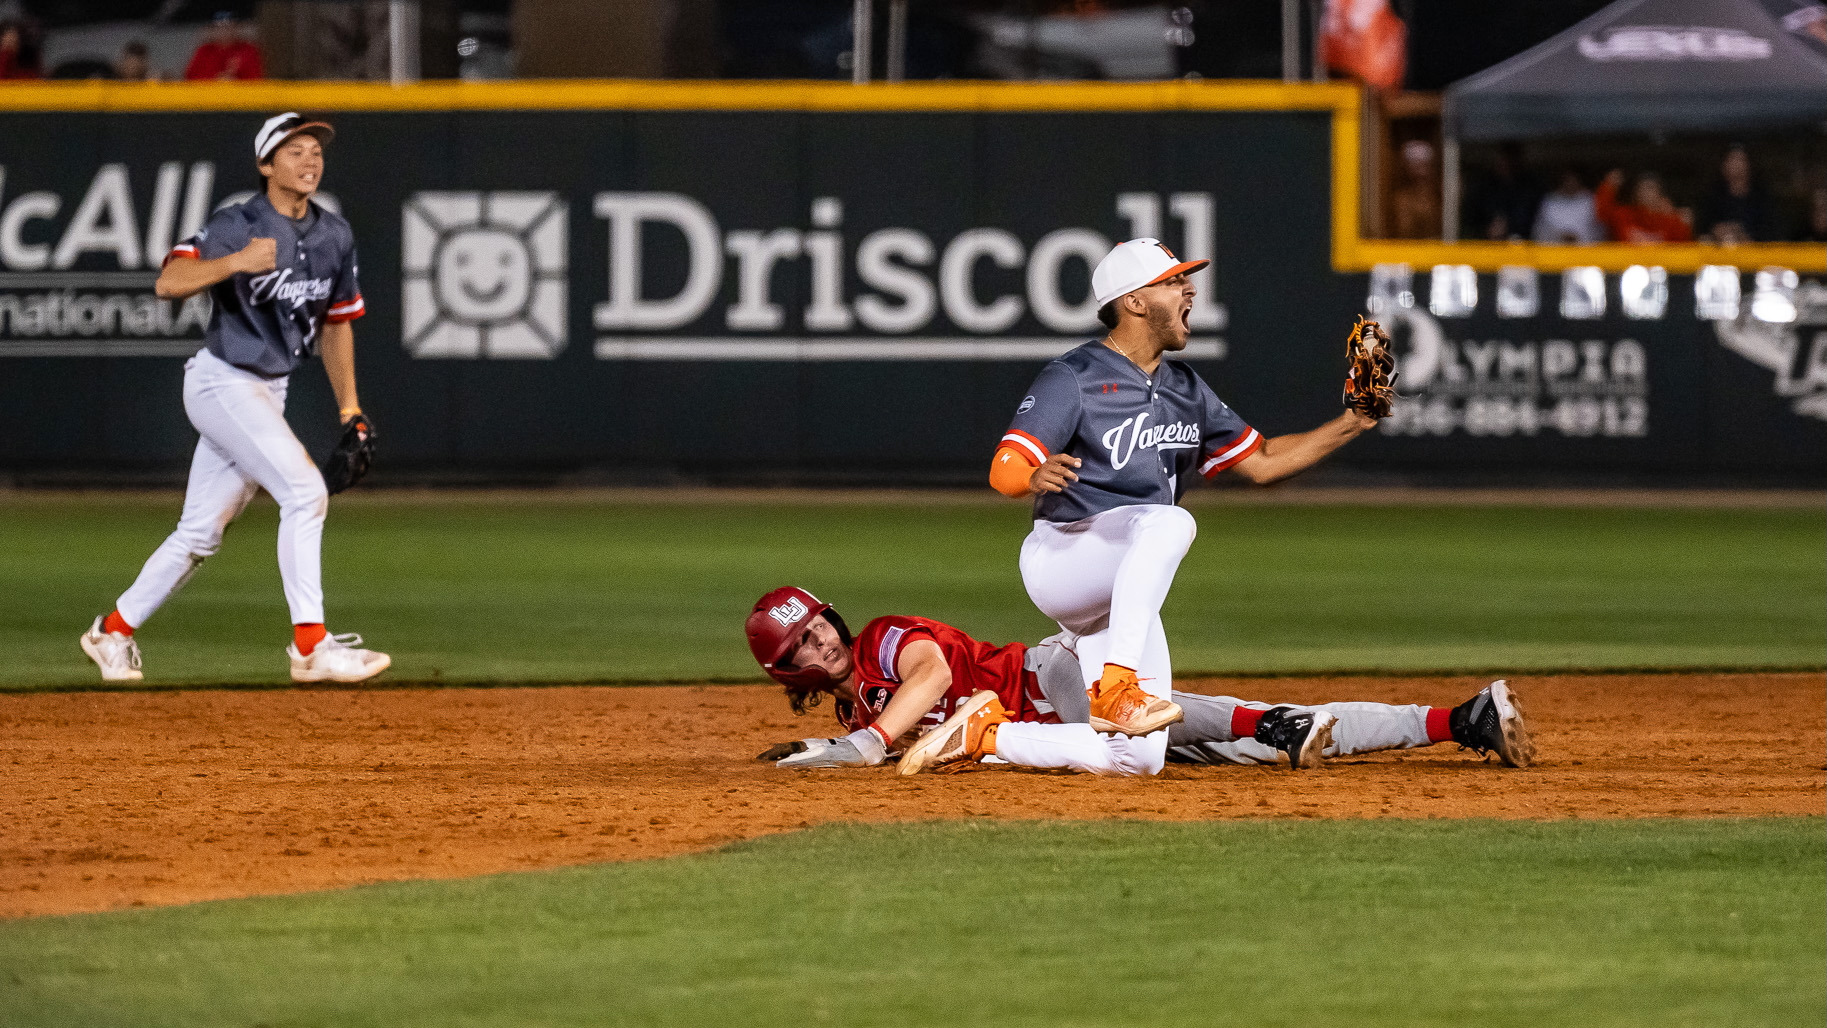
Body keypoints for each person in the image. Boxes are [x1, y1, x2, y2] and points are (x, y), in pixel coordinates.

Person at [980, 239, 1383, 778]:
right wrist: (1030, 475)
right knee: (1170, 520)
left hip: (1121, 589)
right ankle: (1116, 686)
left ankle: (985, 734)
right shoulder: (1073, 376)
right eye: (1173, 282)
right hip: (1063, 557)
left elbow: (1261, 462)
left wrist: (1352, 422)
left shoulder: (1187, 389)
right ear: (1135, 302)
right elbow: (1003, 467)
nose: (1190, 288)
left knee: (1140, 759)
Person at [80, 113, 387, 685]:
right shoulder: (236, 223)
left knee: (200, 532)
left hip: (269, 390)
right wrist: (235, 262)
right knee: (304, 492)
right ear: (266, 165)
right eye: (294, 151)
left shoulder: (334, 235)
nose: (310, 160)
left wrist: (350, 408)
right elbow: (169, 282)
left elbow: (338, 325)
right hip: (221, 381)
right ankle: (310, 646)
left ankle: (113, 631)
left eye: (316, 151)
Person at [744, 587, 1535, 774]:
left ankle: (1268, 723)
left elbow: (932, 673)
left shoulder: (883, 642)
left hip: (1056, 680)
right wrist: (834, 742)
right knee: (1280, 737)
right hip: (1071, 741)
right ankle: (1460, 721)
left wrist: (868, 745)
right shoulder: (856, 709)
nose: (823, 636)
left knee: (1177, 716)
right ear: (789, 668)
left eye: (818, 622)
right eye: (803, 640)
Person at [1697, 145, 1774, 244]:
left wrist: (1741, 235)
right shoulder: (1712, 198)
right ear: (1723, 165)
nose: (1736, 165)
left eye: (1740, 160)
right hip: (1718, 255)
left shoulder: (1761, 200)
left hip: (1754, 255)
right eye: (1731, 159)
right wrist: (1718, 232)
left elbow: (1769, 234)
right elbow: (1702, 231)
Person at [1594, 169, 1692, 243]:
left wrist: (1685, 226)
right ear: (1635, 193)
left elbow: (1682, 246)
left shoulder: (1671, 220)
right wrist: (1608, 187)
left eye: (1650, 188)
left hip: (1661, 267)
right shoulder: (1624, 215)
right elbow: (1602, 214)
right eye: (1641, 189)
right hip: (1627, 266)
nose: (1645, 193)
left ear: (1660, 193)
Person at [185, 13, 264, 81]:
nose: (224, 31)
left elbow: (257, 78)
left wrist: (236, 81)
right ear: (211, 30)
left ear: (237, 29)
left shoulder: (248, 49)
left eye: (229, 27)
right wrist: (215, 80)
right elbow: (190, 78)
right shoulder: (204, 51)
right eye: (219, 28)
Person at [1389, 138, 1442, 240]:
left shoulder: (1440, 196)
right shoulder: (1402, 200)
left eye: (1425, 165)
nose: (1421, 172)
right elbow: (1404, 232)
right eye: (1416, 166)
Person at [1532, 170, 1603, 244]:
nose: (1570, 183)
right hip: (1554, 251)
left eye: (1574, 180)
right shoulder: (1549, 202)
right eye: (1567, 180)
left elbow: (1598, 231)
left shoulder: (1590, 200)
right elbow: (1540, 230)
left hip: (1585, 251)